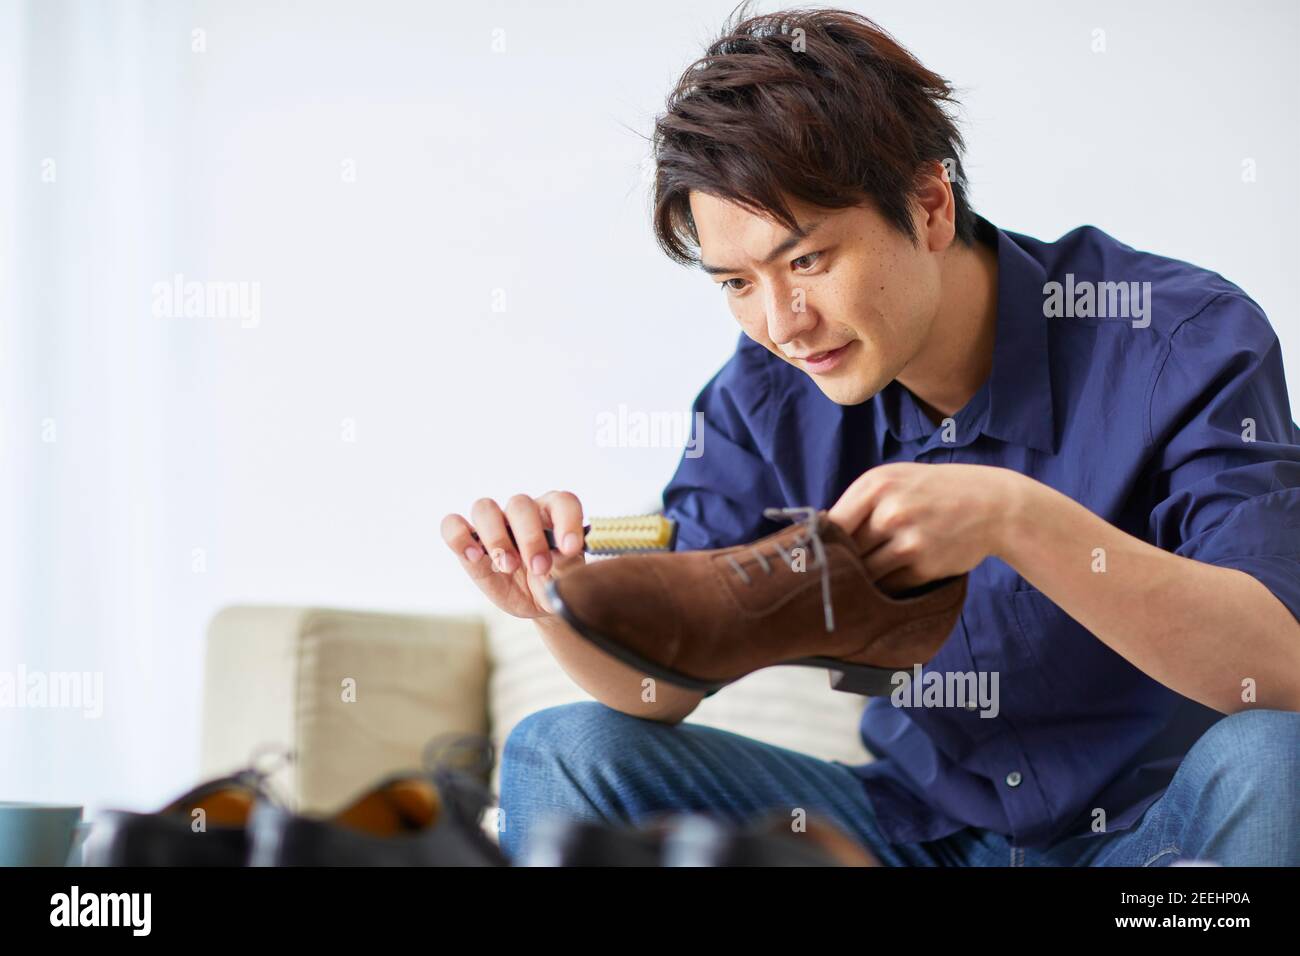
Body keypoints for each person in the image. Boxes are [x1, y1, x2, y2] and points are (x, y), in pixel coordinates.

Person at [440, 7, 1300, 866]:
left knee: (1279, 754)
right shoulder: (763, 397)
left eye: (807, 261)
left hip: (1158, 841)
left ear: (928, 205)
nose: (781, 322)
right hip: (911, 838)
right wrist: (560, 601)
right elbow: (663, 687)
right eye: (738, 282)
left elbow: (1280, 667)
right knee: (567, 749)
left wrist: (1016, 519)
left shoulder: (1177, 338)